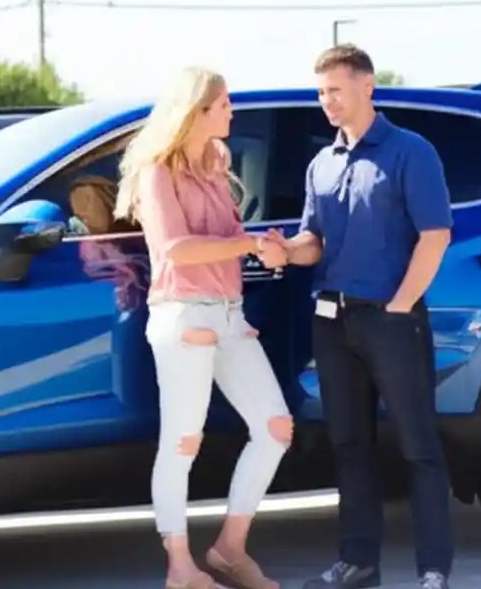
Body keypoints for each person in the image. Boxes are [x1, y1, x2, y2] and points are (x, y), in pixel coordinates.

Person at [264, 44, 455, 589]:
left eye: (336, 91)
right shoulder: (321, 163)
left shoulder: (410, 152)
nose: (327, 102)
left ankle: (433, 571)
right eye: (321, 92)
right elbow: (314, 242)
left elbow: (435, 236)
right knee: (349, 446)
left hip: (391, 322)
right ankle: (358, 563)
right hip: (332, 323)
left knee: (419, 447)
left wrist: (399, 305)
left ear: (367, 87)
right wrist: (285, 251)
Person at [114, 66, 295, 589]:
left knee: (275, 428)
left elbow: (228, 235)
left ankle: (229, 550)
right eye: (224, 104)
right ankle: (180, 567)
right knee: (182, 442)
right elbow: (176, 249)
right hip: (183, 313)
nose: (232, 112)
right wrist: (246, 244)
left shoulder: (217, 162)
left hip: (229, 313)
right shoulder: (157, 172)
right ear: (196, 111)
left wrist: (264, 246)